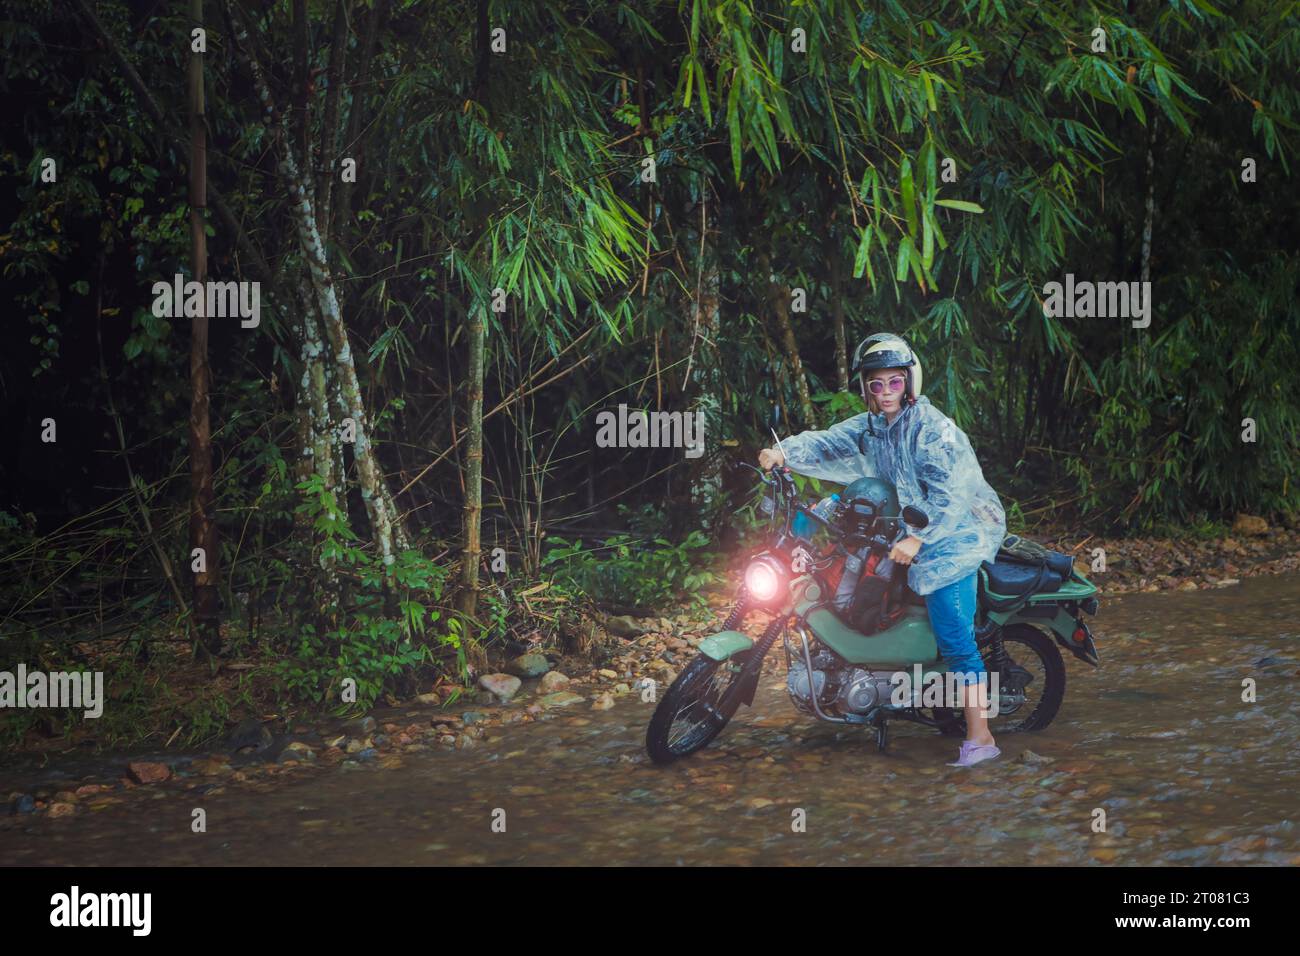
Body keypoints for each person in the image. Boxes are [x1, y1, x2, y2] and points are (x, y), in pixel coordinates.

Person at [757, 333, 1007, 767]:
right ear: (866, 389)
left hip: (952, 541)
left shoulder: (933, 429)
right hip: (905, 534)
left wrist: (918, 538)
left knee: (955, 639)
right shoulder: (875, 427)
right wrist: (782, 452)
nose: (886, 392)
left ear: (910, 382)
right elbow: (828, 441)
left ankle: (982, 739)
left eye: (895, 382)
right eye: (876, 384)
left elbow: (949, 495)